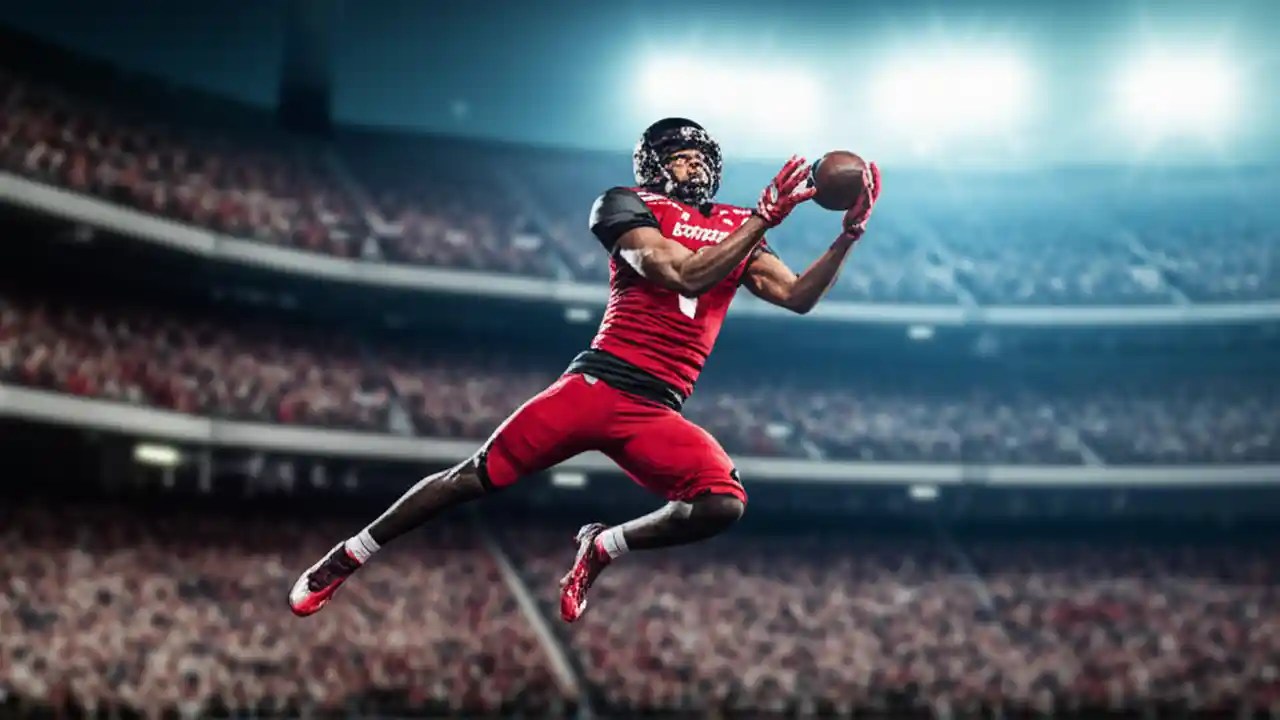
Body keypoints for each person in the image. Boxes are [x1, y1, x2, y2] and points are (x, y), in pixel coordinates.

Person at [288, 118, 881, 622]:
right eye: (680, 158)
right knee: (473, 477)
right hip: (599, 383)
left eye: (702, 158)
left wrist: (847, 236)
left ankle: (603, 545)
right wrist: (760, 221)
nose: (694, 168)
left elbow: (799, 296)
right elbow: (680, 274)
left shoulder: (738, 223)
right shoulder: (626, 203)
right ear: (654, 165)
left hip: (656, 408)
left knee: (722, 502)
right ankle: (348, 554)